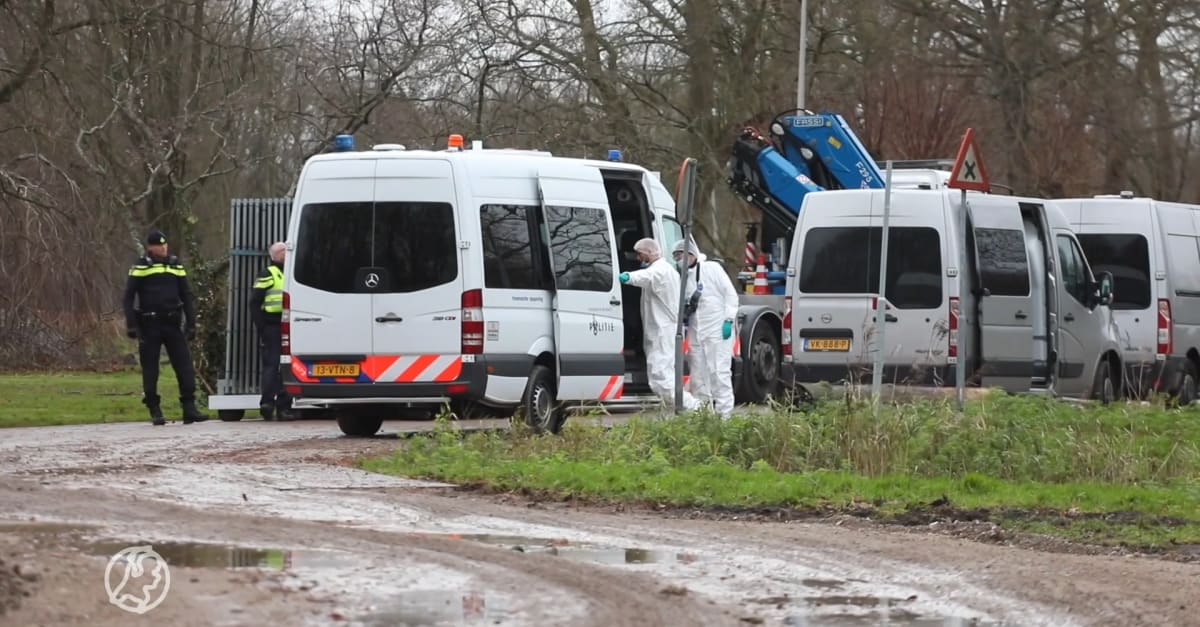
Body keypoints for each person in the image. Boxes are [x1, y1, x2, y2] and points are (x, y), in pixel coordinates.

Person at [123, 230, 209, 425]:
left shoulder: (175, 265)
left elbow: (186, 295)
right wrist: (131, 324)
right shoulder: (142, 265)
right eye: (159, 245)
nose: (163, 248)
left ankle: (189, 407)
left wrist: (191, 322)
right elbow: (128, 297)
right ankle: (154, 408)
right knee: (151, 368)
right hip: (149, 323)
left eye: (165, 244)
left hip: (172, 323)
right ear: (150, 247)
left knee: (185, 366)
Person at [618, 238, 699, 411]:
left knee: (661, 378)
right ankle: (683, 413)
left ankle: (696, 409)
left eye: (640, 254)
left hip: (662, 332)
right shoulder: (665, 270)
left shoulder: (659, 271)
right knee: (664, 377)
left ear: (648, 253)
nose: (638, 258)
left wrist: (628, 277)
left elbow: (645, 277)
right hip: (661, 330)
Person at [673, 238, 740, 419]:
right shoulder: (684, 277)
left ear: (691, 254)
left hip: (718, 328)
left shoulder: (712, 269)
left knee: (719, 373)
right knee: (699, 376)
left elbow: (730, 295)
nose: (678, 259)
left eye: (680, 255)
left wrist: (728, 319)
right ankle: (703, 415)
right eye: (676, 257)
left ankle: (724, 417)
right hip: (697, 330)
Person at [249, 242, 292, 421]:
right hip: (273, 326)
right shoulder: (268, 274)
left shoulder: (291, 273)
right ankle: (267, 403)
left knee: (287, 366)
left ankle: (284, 407)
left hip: (289, 326)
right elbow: (254, 302)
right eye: (285, 251)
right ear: (278, 254)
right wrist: (263, 328)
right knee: (272, 366)